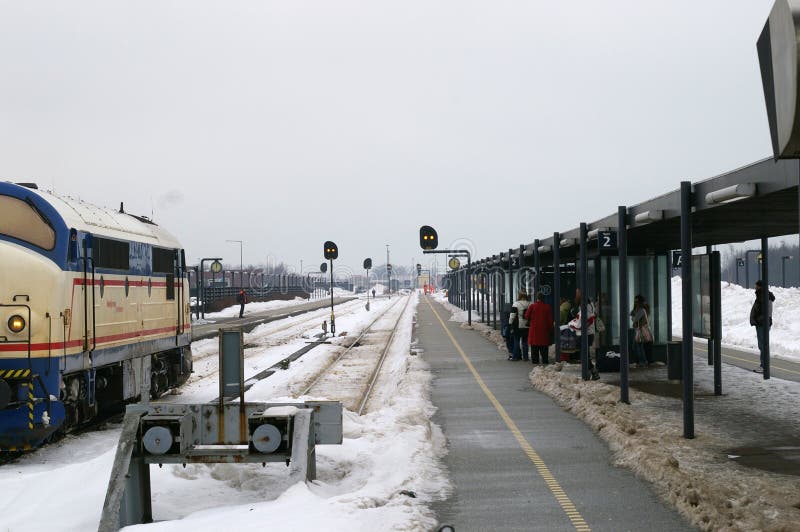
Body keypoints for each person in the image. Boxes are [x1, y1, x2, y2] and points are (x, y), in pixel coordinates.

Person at [568, 288, 599, 379]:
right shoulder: (589, 305)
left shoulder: (586, 306)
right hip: (588, 332)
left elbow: (587, 320)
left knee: (584, 354)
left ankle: (591, 372)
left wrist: (579, 326)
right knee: (585, 354)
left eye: (577, 293)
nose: (576, 295)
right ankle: (591, 372)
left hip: (586, 333)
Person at [750, 280, 775, 373]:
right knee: (762, 345)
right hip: (761, 323)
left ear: (759, 286)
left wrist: (758, 320)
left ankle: (764, 366)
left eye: (756, 285)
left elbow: (767, 312)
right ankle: (764, 365)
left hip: (763, 324)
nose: (755, 287)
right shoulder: (762, 295)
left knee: (763, 345)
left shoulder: (764, 296)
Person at [525, 292, 554, 364]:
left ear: (537, 298)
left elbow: (526, 316)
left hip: (534, 330)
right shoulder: (547, 307)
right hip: (544, 330)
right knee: (544, 348)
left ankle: (535, 361)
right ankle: (544, 360)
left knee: (534, 347)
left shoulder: (532, 306)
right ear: (543, 298)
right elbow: (550, 320)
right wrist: (551, 329)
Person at [509, 291, 531, 361]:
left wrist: (510, 323)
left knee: (516, 341)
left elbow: (512, 315)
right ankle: (525, 357)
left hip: (517, 325)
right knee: (525, 342)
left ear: (519, 296)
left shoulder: (516, 304)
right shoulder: (530, 304)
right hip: (527, 325)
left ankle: (516, 356)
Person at [630, 295, 651, 368]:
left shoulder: (642, 310)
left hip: (640, 331)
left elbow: (635, 319)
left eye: (637, 302)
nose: (636, 303)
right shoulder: (640, 310)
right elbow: (634, 319)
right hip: (639, 330)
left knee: (638, 346)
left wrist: (633, 315)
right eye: (635, 302)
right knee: (637, 346)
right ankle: (642, 361)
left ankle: (643, 361)